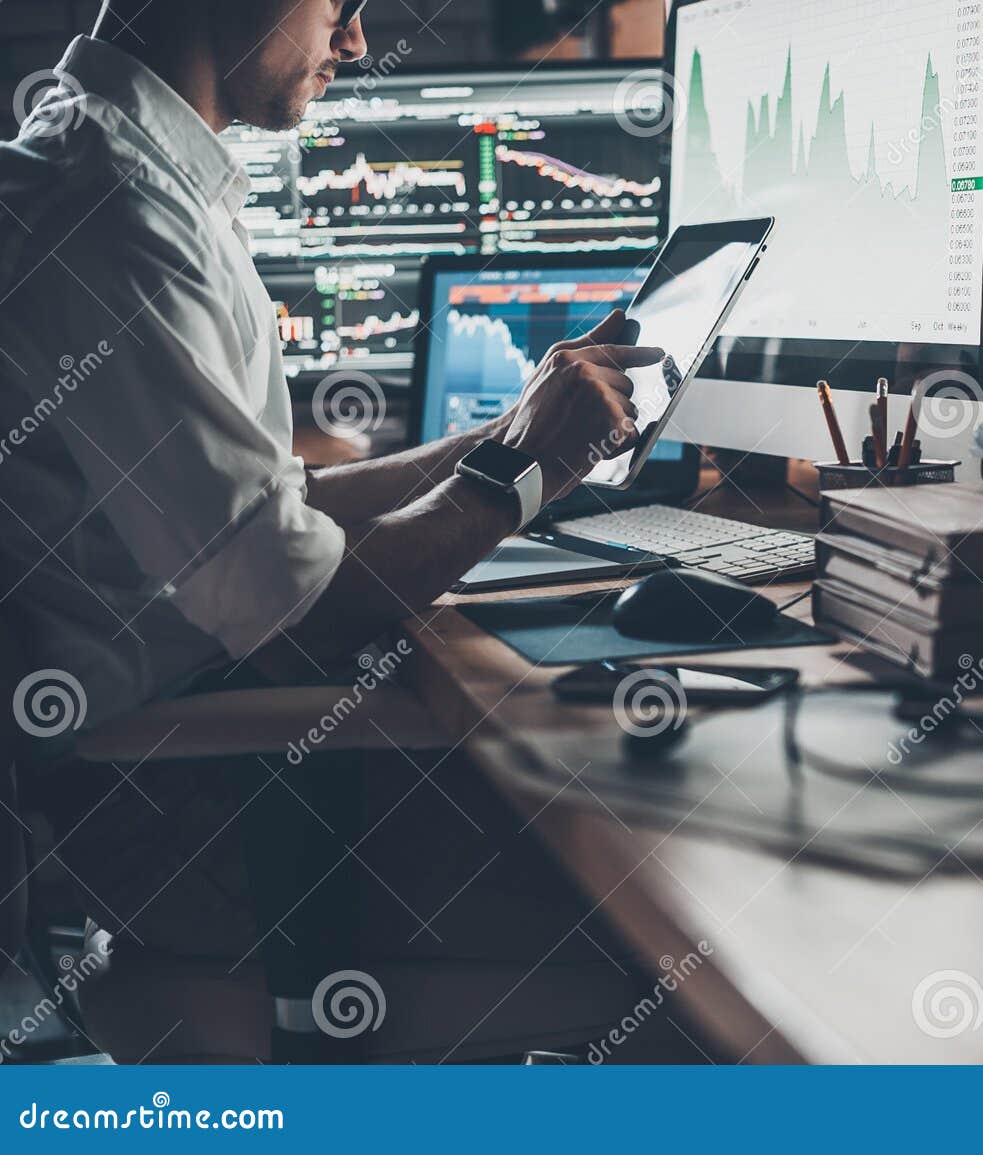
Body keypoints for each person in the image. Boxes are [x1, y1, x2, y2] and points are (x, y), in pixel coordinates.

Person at [0, 1, 687, 1061]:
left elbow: (275, 512)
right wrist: (527, 471)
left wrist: (505, 433)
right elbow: (301, 605)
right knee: (669, 917)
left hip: (219, 765)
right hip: (200, 814)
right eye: (339, 6)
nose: (358, 42)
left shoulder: (118, 162)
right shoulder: (120, 213)